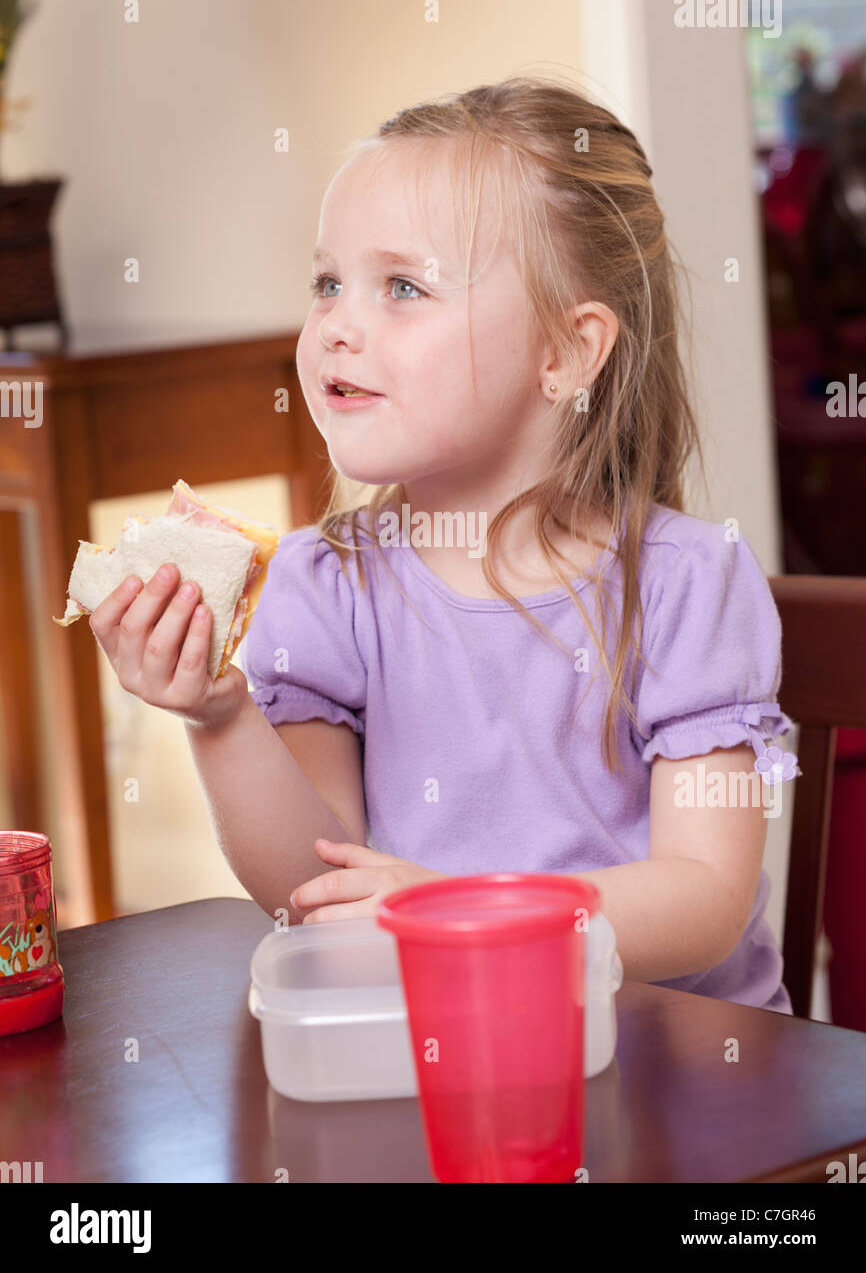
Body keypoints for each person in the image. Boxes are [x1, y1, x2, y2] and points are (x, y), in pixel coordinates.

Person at [89, 77, 799, 1012]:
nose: (337, 326)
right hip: (444, 1061)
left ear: (566, 352)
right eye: (328, 283)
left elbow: (705, 900)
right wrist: (218, 716)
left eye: (404, 287)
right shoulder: (323, 585)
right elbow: (313, 890)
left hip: (679, 1082)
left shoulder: (688, 585)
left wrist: (472, 910)